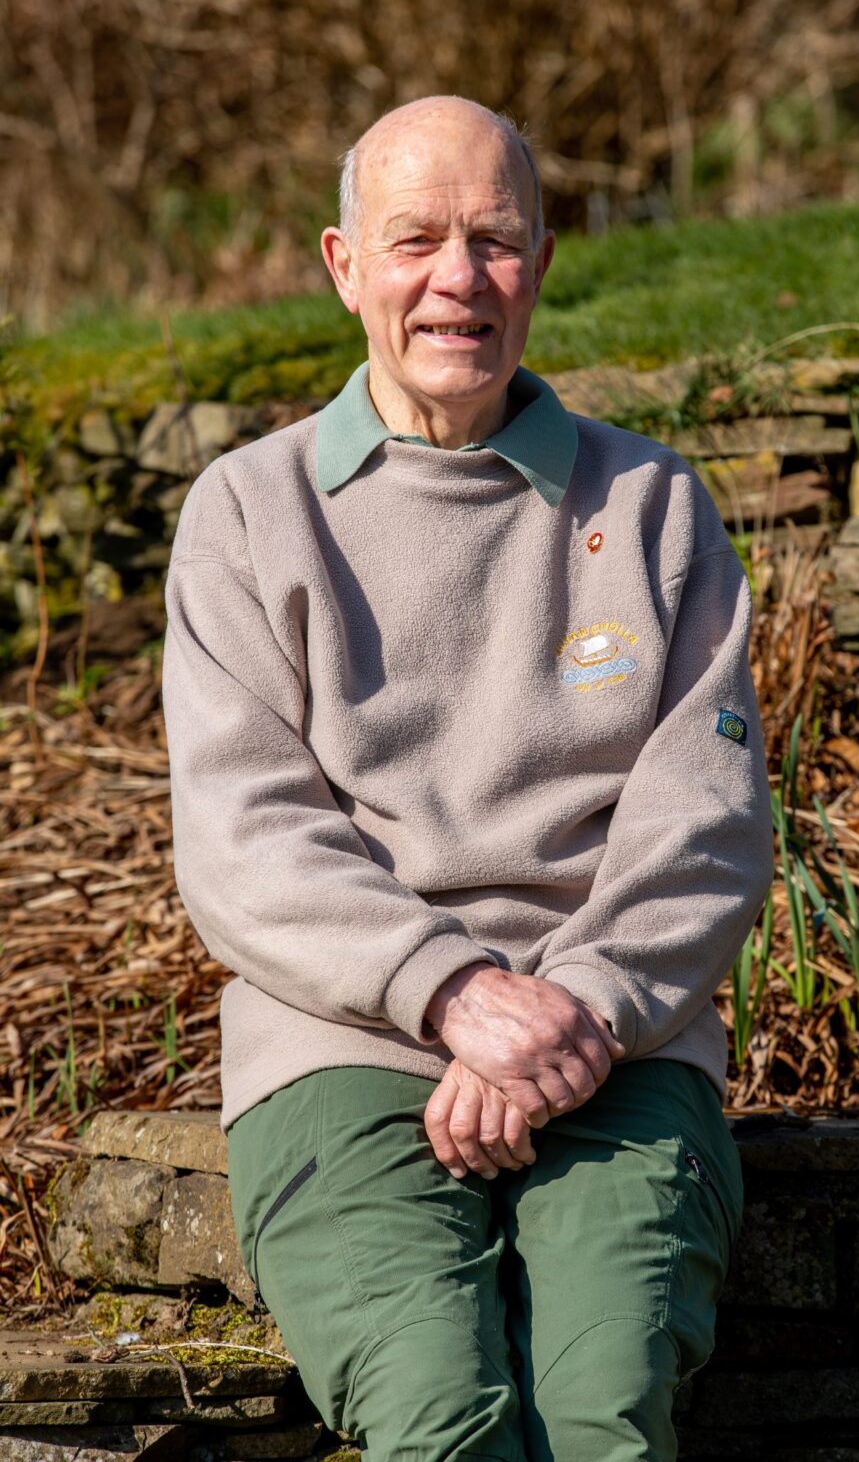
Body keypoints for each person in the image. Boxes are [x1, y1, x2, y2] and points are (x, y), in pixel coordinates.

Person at [161, 94, 775, 1462]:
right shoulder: (250, 516)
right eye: (415, 240)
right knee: (443, 1425)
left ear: (545, 264)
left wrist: (572, 1016)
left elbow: (709, 828)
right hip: (346, 1046)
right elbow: (245, 840)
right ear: (341, 266)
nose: (458, 279)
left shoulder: (653, 508)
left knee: (604, 1420)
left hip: (617, 1042)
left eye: (496, 241)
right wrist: (453, 994)